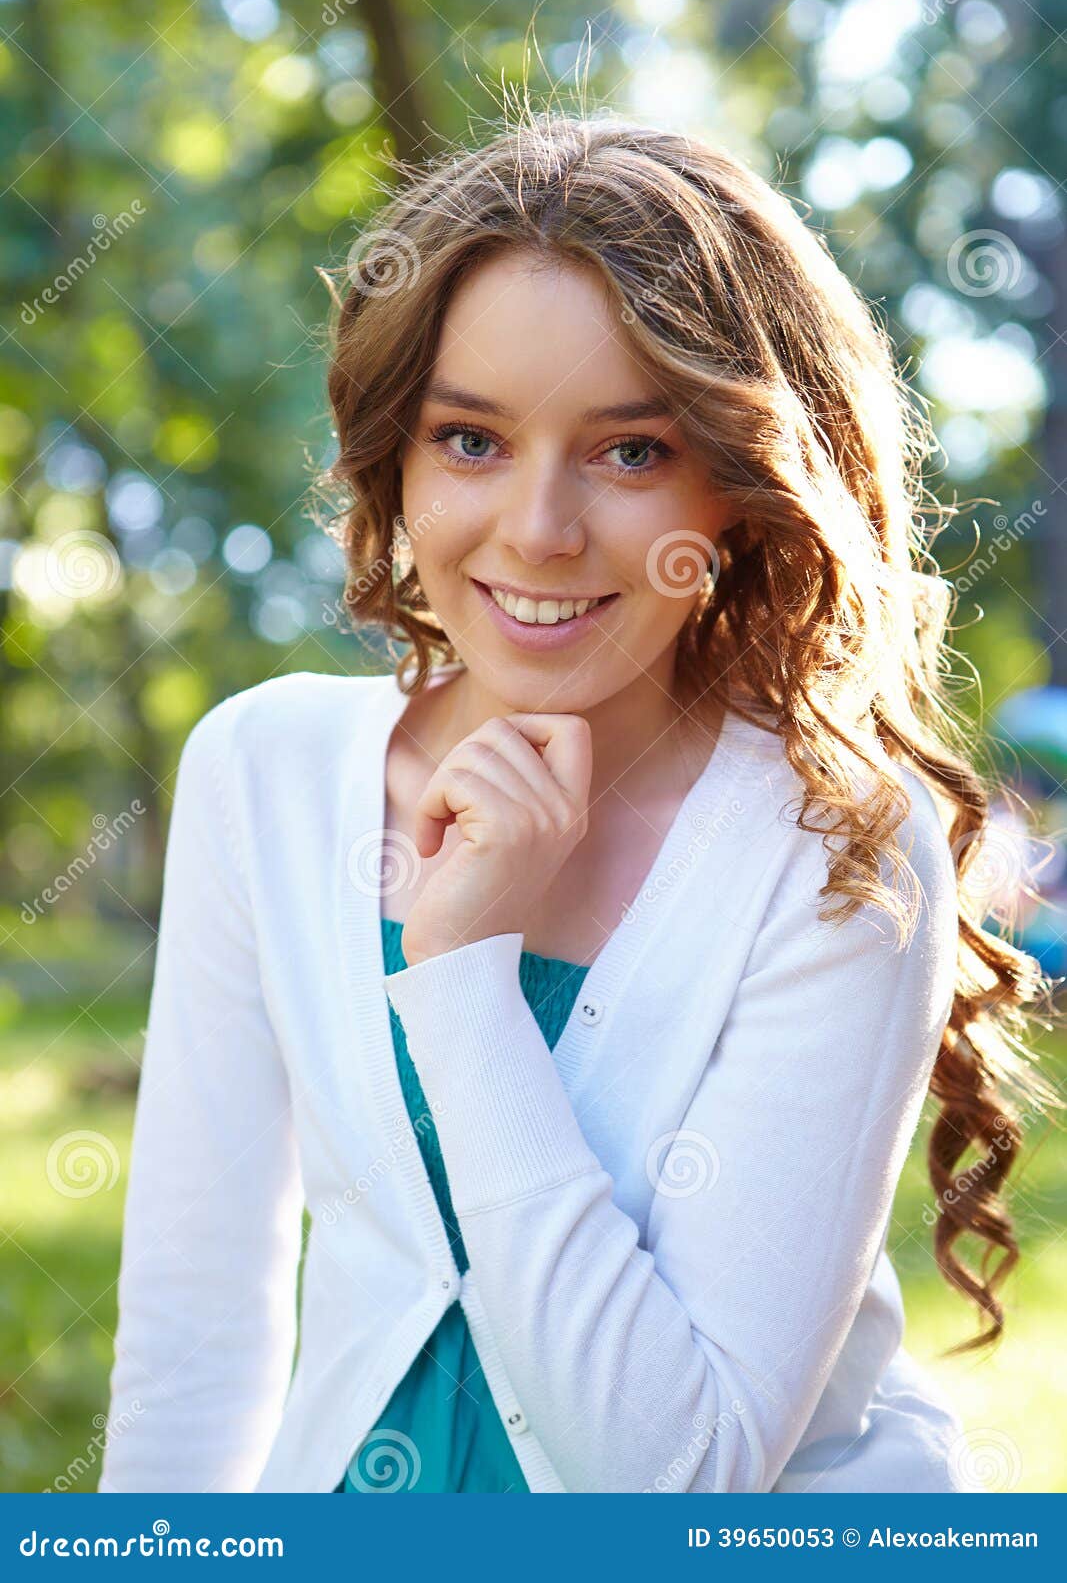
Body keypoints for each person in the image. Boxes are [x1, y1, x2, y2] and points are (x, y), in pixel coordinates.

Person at [98, 111, 1055, 1495]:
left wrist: (466, 974)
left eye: (628, 453)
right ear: (398, 462)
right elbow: (195, 1334)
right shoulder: (267, 772)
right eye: (472, 439)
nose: (538, 531)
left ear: (738, 491)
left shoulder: (844, 845)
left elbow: (674, 1477)